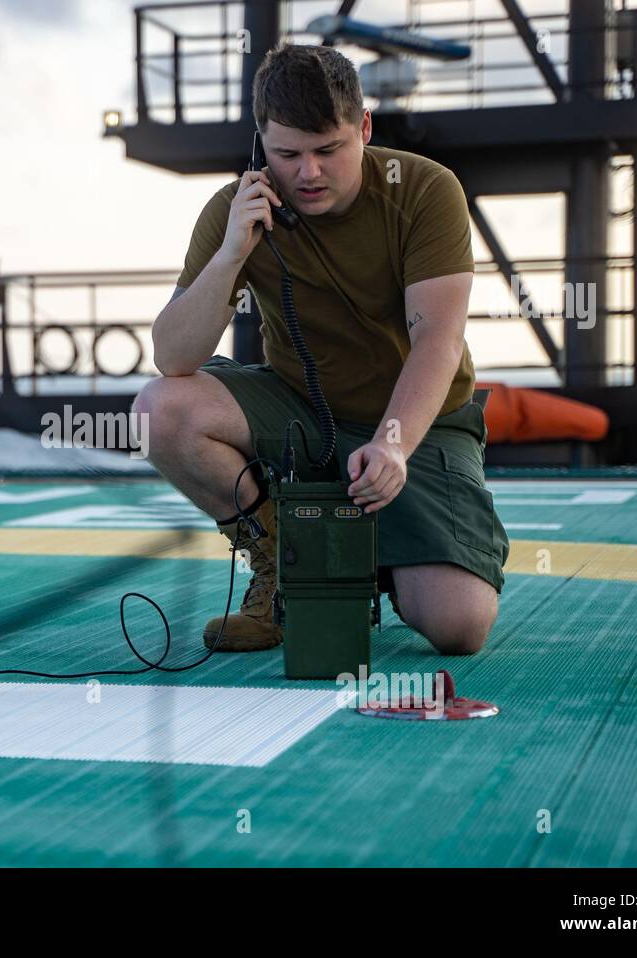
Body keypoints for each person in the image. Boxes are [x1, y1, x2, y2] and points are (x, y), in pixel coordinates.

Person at [132, 43, 509, 656]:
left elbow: (437, 338)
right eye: (287, 155)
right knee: (159, 410)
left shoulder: (424, 189)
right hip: (303, 412)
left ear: (363, 128)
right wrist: (232, 253)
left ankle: (367, 563)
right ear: (261, 147)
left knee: (458, 626)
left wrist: (393, 444)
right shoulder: (236, 210)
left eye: (328, 150)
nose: (308, 173)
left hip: (419, 422)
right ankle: (287, 571)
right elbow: (172, 357)